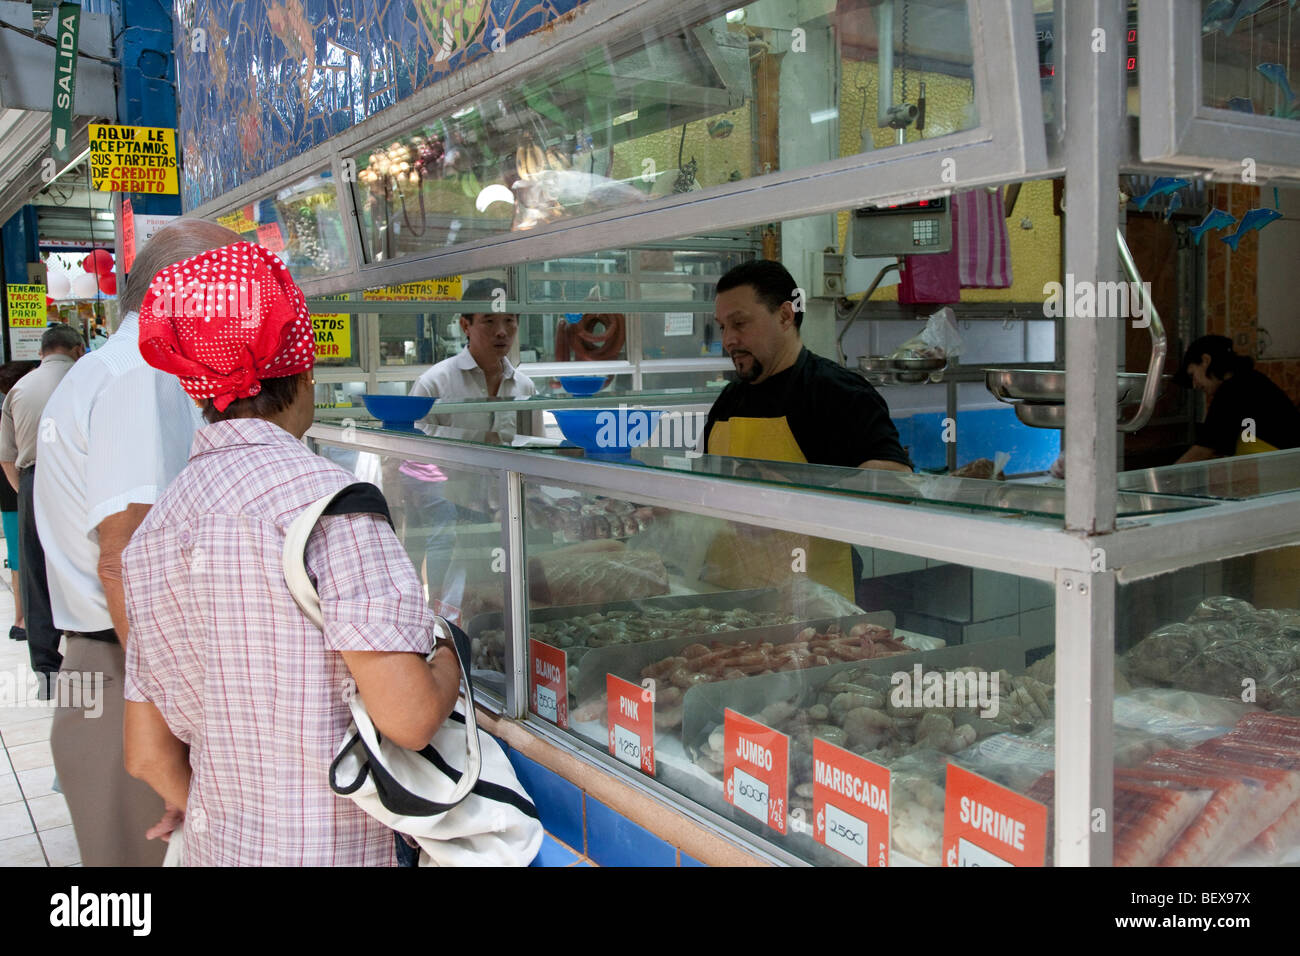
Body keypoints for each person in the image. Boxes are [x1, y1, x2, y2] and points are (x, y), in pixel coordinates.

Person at [121, 241, 461, 866]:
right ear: (304, 373)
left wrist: (209, 812)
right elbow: (410, 717)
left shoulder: (154, 532)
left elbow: (145, 753)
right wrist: (449, 651)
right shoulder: (333, 504)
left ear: (199, 388)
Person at [34, 219, 241, 867]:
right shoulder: (139, 376)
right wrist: (165, 728)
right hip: (123, 676)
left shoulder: (111, 371)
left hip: (103, 667)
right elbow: (126, 559)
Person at [701, 260, 912, 599]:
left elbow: (894, 478)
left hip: (811, 611)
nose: (729, 340)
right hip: (728, 600)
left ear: (785, 316)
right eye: (722, 327)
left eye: (739, 323)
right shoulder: (728, 402)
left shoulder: (837, 393)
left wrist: (791, 505)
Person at [396, 278, 537, 617]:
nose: (502, 331)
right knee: (447, 599)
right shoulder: (436, 382)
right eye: (489, 321)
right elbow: (413, 450)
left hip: (504, 513)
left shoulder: (525, 386)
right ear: (466, 325)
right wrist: (475, 442)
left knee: (498, 600)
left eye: (509, 321)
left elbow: (533, 450)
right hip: (446, 511)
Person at [0, 325, 84, 697]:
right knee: (84, 563)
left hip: (33, 479)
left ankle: (48, 672)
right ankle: (91, 650)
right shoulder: (86, 377)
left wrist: (27, 492)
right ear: (77, 349)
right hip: (80, 478)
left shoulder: (21, 388)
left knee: (35, 575)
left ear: (42, 352)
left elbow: (6, 456)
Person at [1173, 335, 1300, 463]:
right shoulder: (1249, 379)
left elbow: (1203, 450)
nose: (1195, 384)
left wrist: (1169, 476)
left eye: (1192, 374)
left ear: (1206, 361)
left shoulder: (1232, 390)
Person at [0, 360, 37, 643]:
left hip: (12, 493)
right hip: (22, 487)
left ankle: (20, 619)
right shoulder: (22, 406)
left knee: (18, 558)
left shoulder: (11, 406)